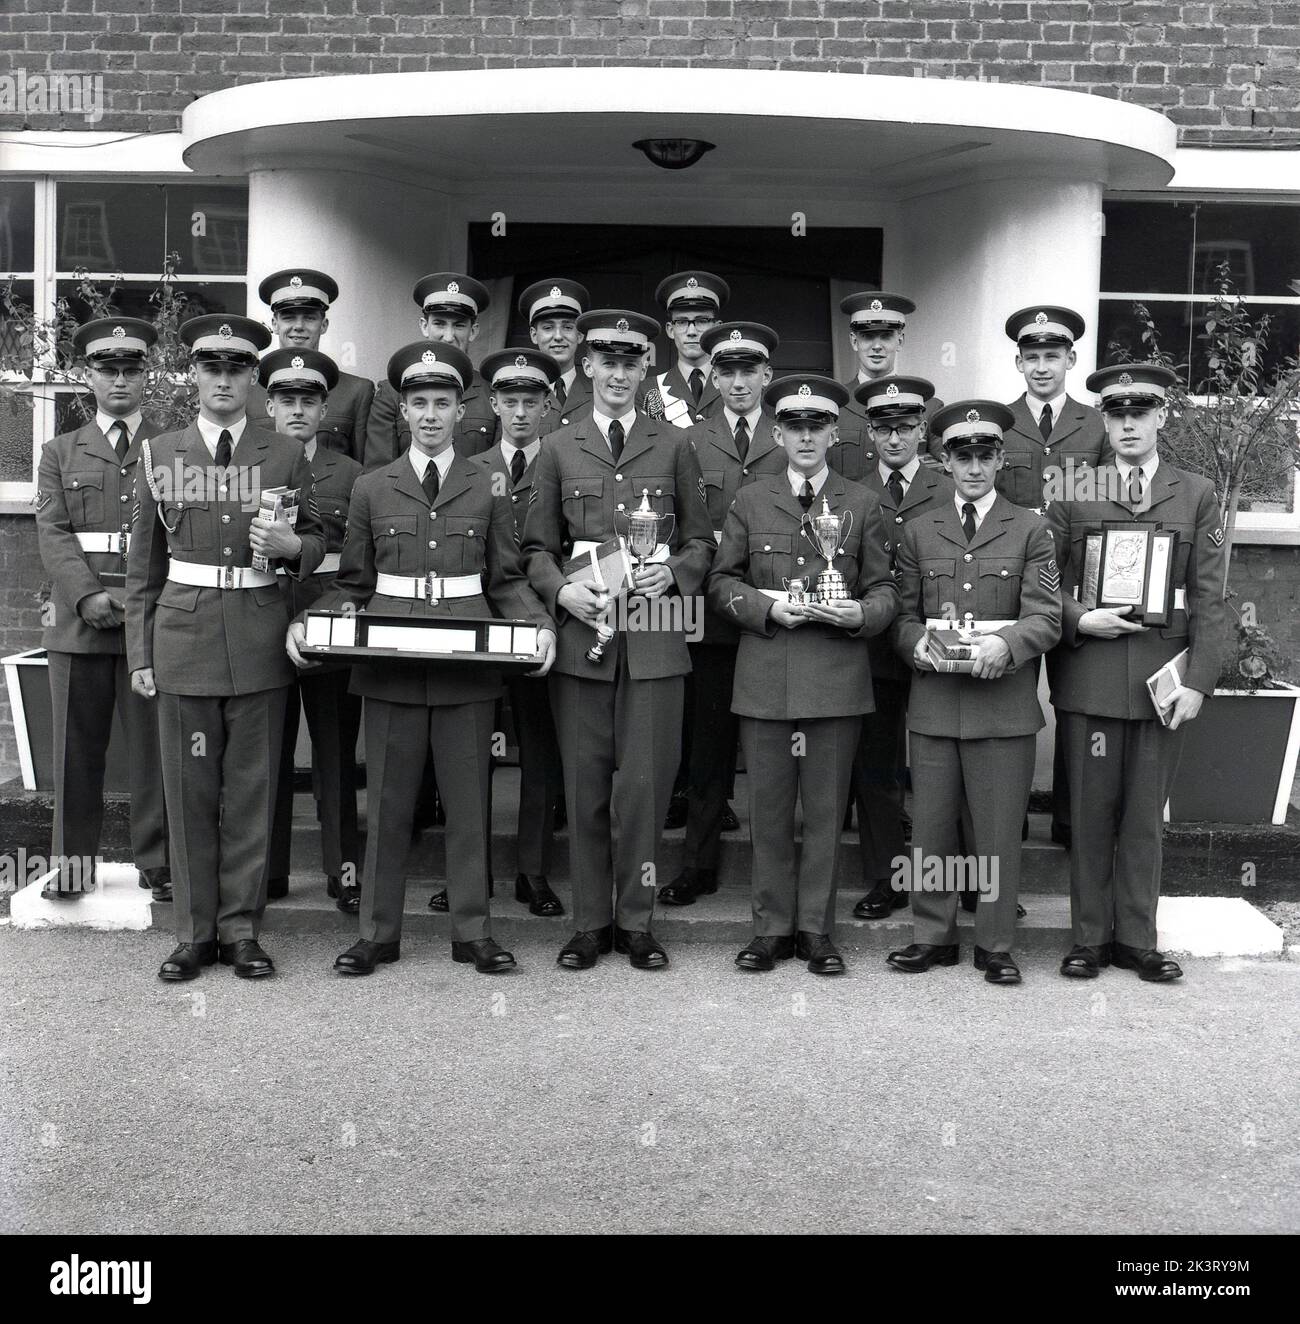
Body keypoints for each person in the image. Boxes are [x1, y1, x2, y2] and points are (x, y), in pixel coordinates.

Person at [287, 342, 557, 976]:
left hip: (468, 664)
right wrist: (310, 619)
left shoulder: (487, 484)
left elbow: (507, 579)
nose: (431, 415)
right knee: (385, 805)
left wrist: (539, 626)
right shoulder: (371, 486)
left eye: (442, 403)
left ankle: (473, 932)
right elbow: (353, 581)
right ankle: (377, 933)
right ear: (402, 411)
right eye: (418, 404)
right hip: (390, 668)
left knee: (468, 804)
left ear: (461, 411)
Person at [127, 314, 325, 981]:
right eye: (211, 367)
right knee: (188, 793)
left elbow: (319, 543)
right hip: (182, 636)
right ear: (193, 375)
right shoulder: (159, 454)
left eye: (236, 369)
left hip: (260, 634)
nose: (222, 380)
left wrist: (298, 561)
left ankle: (241, 930)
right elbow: (143, 567)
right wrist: (140, 653)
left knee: (249, 793)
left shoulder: (285, 453)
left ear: (252, 380)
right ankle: (192, 932)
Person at [521, 309, 715, 971]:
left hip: (656, 639)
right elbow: (535, 549)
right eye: (607, 361)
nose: (618, 373)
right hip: (584, 640)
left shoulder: (672, 445)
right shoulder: (558, 445)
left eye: (631, 362)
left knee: (646, 788)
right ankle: (588, 923)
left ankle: (636, 921)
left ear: (644, 370)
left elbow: (701, 542)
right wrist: (561, 592)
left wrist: (677, 572)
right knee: (586, 789)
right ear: (588, 367)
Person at [706, 374, 899, 975]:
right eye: (795, 426)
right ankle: (770, 930)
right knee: (768, 812)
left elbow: (887, 589)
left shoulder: (863, 502)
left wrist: (862, 613)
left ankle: (816, 930)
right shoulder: (750, 498)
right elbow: (720, 582)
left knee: (823, 812)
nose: (807, 436)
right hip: (766, 671)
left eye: (818, 426)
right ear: (778, 432)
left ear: (835, 432)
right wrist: (765, 609)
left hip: (836, 675)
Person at [1046, 363, 1226, 983]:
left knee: (1145, 816)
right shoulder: (1072, 488)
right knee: (1091, 816)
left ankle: (1138, 940)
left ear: (1161, 417)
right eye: (1117, 413)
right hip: (1091, 673)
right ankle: (1089, 940)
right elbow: (1042, 586)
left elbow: (1211, 599)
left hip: (1161, 679)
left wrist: (1199, 681)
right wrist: (1078, 618)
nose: (1128, 424)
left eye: (1140, 412)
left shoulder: (1196, 493)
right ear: (1103, 418)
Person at [886, 401, 1062, 984]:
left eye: (985, 455)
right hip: (936, 704)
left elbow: (1047, 617)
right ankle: (932, 935)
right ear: (943, 460)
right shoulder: (918, 531)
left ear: (1000, 459)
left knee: (996, 830)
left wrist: (1007, 646)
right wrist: (916, 646)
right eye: (962, 455)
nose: (974, 466)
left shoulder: (1032, 528)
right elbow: (903, 617)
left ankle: (994, 942)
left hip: (1002, 706)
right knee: (931, 828)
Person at [34, 317, 170, 902]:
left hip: (152, 622)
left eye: (131, 369)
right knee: (76, 751)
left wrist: (147, 604)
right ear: (88, 377)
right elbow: (53, 530)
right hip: (79, 624)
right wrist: (87, 594)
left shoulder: (172, 448)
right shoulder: (59, 452)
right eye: (107, 370)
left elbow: (180, 533)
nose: (120, 380)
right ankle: (71, 866)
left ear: (147, 376)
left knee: (155, 752)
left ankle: (158, 862)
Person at [658, 321, 784, 908]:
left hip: (778, 615)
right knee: (706, 750)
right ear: (710, 376)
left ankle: (777, 875)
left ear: (767, 377)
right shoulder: (686, 440)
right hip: (708, 615)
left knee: (775, 752)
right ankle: (698, 865)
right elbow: (684, 527)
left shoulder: (791, 434)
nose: (737, 382)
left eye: (748, 372)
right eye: (725, 371)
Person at [846, 375, 954, 921]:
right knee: (878, 768)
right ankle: (887, 878)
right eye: (884, 428)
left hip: (942, 640)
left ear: (922, 431)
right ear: (869, 431)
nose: (894, 438)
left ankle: (967, 881)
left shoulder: (951, 485)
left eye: (906, 427)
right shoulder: (850, 489)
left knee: (947, 768)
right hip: (874, 645)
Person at [1001, 304, 1110, 850]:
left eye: (1052, 356)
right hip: (1012, 585)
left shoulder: (1096, 424)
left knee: (1074, 702)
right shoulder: (996, 423)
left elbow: (1116, 501)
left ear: (1070, 359)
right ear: (1018, 362)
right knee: (1011, 703)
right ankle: (1007, 819)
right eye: (1032, 357)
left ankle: (1070, 824)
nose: (1042, 366)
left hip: (1075, 583)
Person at [261, 347, 363, 913]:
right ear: (269, 404)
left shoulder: (353, 475)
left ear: (325, 409)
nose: (297, 410)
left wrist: (327, 613)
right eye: (286, 399)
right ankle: (270, 873)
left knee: (335, 756)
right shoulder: (248, 463)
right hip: (263, 618)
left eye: (309, 400)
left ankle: (343, 872)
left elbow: (358, 559)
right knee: (267, 755)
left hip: (329, 618)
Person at [471, 346, 567, 918]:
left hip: (540, 624)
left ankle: (533, 872)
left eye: (532, 402)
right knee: (472, 753)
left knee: (539, 749)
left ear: (550, 405)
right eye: (510, 401)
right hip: (477, 624)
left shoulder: (563, 464)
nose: (522, 413)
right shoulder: (469, 469)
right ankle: (471, 870)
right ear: (493, 404)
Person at [364, 272, 497, 468]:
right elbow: (378, 472)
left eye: (459, 326)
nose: (449, 336)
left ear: (474, 331)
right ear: (425, 326)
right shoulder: (391, 393)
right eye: (439, 324)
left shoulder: (491, 393)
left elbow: (498, 471)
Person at [244, 267, 374, 458]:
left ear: (323, 325)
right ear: (274, 324)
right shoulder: (248, 389)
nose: (298, 326)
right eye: (288, 317)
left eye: (309, 318)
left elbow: (363, 468)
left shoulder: (356, 391)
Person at [830, 292, 944, 479]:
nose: (877, 346)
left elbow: (952, 470)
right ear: (854, 341)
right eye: (867, 336)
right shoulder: (836, 405)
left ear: (900, 340)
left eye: (886, 336)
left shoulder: (929, 407)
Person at [640, 270, 729, 428]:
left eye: (702, 321)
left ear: (717, 328)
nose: (691, 331)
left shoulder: (737, 388)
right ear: (670, 330)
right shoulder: (647, 390)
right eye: (681, 322)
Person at [517, 278, 593, 433]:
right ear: (533, 334)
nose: (558, 336)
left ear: (579, 334)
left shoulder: (600, 392)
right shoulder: (516, 394)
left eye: (567, 327)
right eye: (548, 327)